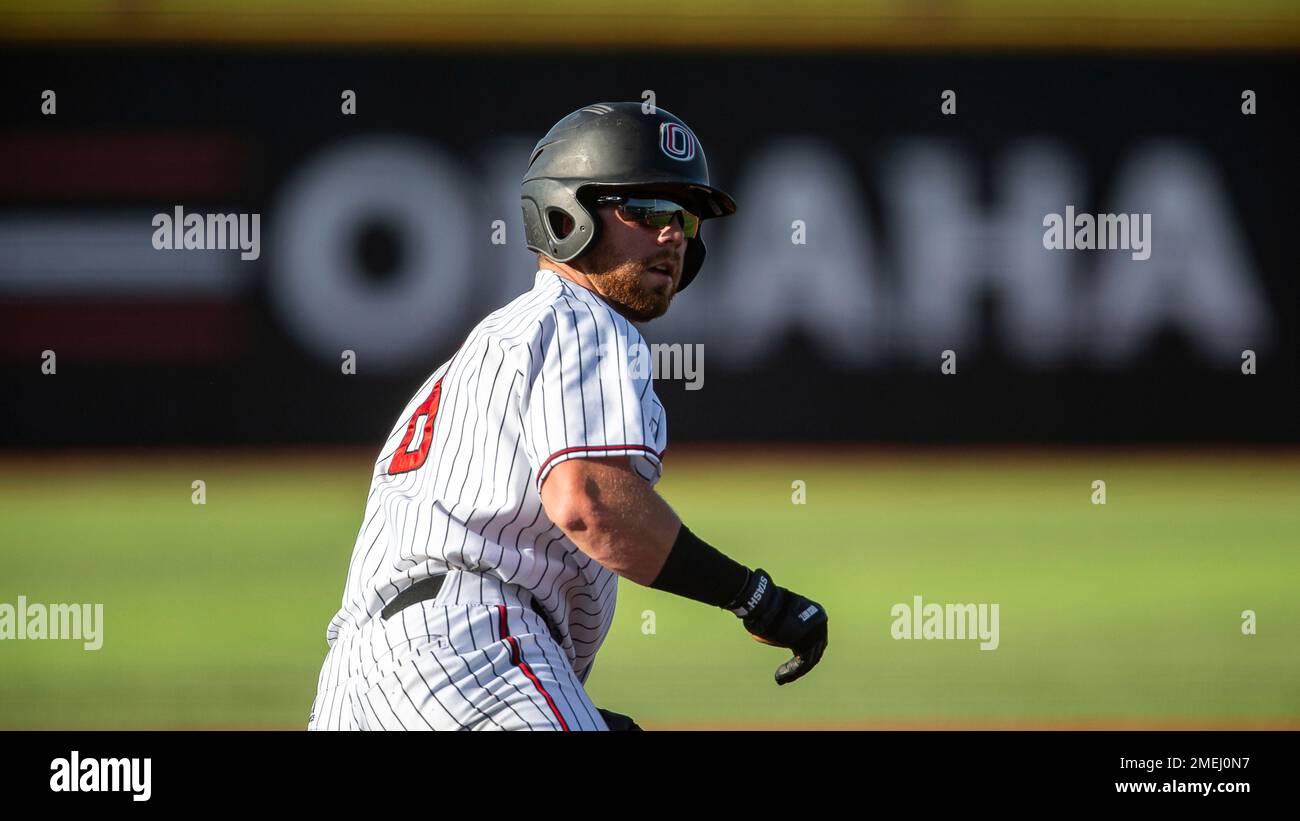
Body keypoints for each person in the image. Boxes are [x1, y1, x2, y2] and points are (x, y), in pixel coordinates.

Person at [308, 102, 828, 731]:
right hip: (473, 648)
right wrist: (755, 597)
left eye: (684, 217)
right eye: (647, 209)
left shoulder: (490, 349)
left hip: (365, 684)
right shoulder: (585, 319)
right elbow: (588, 503)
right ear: (566, 215)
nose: (673, 235)